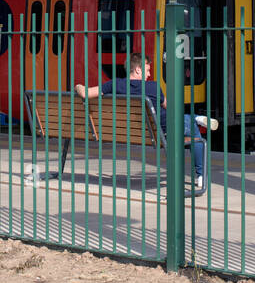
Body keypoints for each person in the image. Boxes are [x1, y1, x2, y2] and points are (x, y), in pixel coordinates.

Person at [75, 53, 216, 192]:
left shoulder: (115, 84)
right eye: (147, 70)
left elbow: (85, 93)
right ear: (138, 70)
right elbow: (171, 108)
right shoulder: (153, 87)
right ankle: (201, 174)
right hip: (164, 129)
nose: (149, 75)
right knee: (196, 135)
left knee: (189, 124)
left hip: (144, 133)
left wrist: (77, 87)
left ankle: (195, 118)